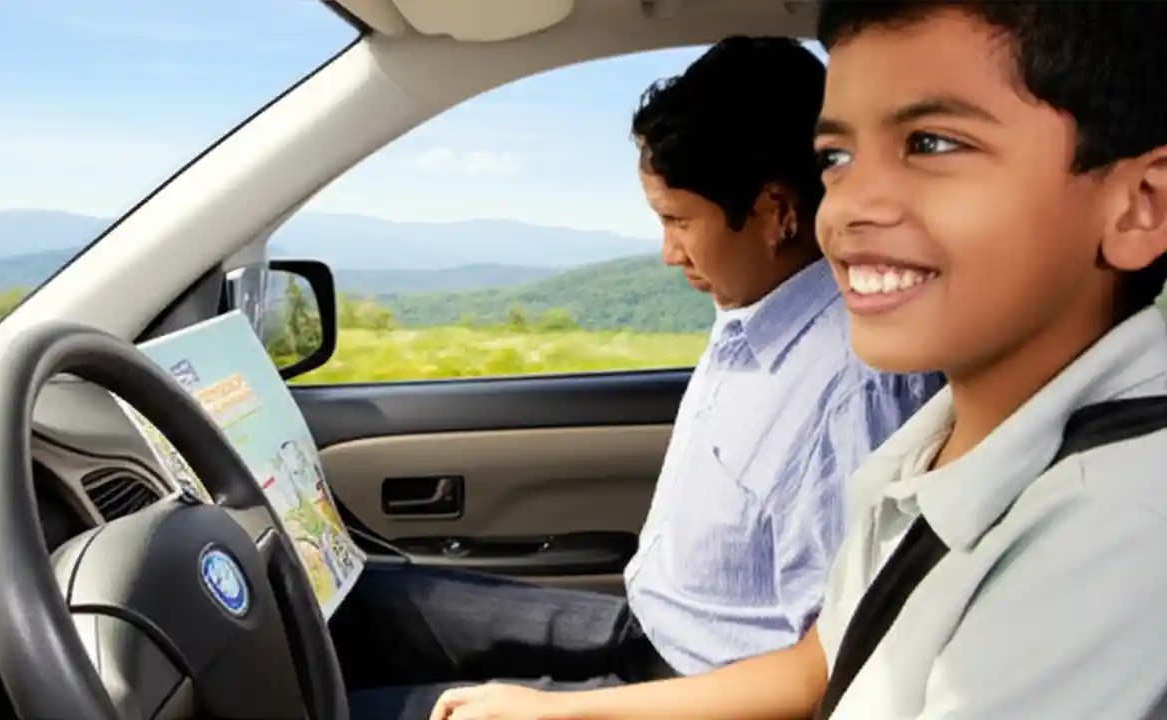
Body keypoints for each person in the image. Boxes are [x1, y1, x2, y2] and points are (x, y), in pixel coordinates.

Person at [428, 2, 1167, 718]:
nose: (847, 205)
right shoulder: (937, 441)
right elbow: (823, 658)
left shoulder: (1116, 534)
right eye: (836, 158)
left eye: (933, 143)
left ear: (1138, 207)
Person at [334, 35, 942, 720]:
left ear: (776, 213)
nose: (665, 252)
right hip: (645, 632)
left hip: (703, 692)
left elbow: (831, 667)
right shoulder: (753, 301)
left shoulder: (849, 393)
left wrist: (552, 712)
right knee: (347, 605)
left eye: (678, 220)